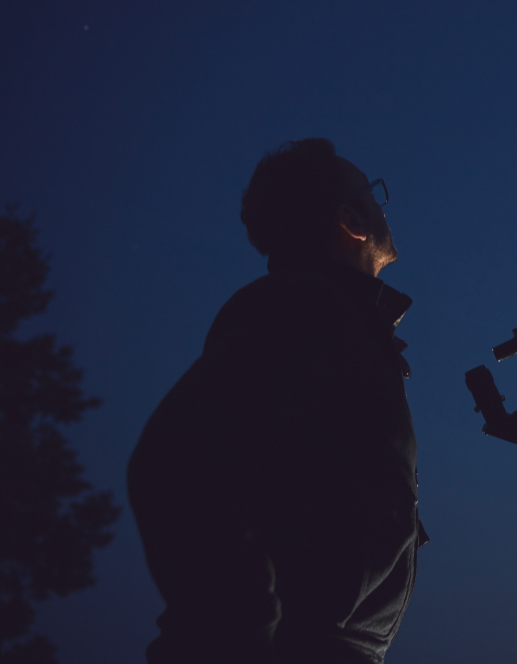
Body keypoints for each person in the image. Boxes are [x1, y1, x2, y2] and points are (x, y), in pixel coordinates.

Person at [128, 138, 425, 664]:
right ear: (352, 217)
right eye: (373, 195)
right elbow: (172, 458)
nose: (382, 207)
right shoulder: (302, 311)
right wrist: (241, 632)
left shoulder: (332, 321)